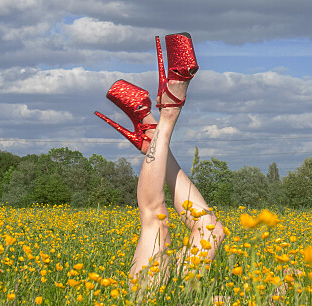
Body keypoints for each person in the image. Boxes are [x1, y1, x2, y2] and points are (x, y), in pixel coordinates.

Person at [95, 33, 226, 285]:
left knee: (156, 220)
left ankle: (166, 116)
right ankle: (153, 135)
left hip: (147, 304)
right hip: (181, 301)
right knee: (211, 228)